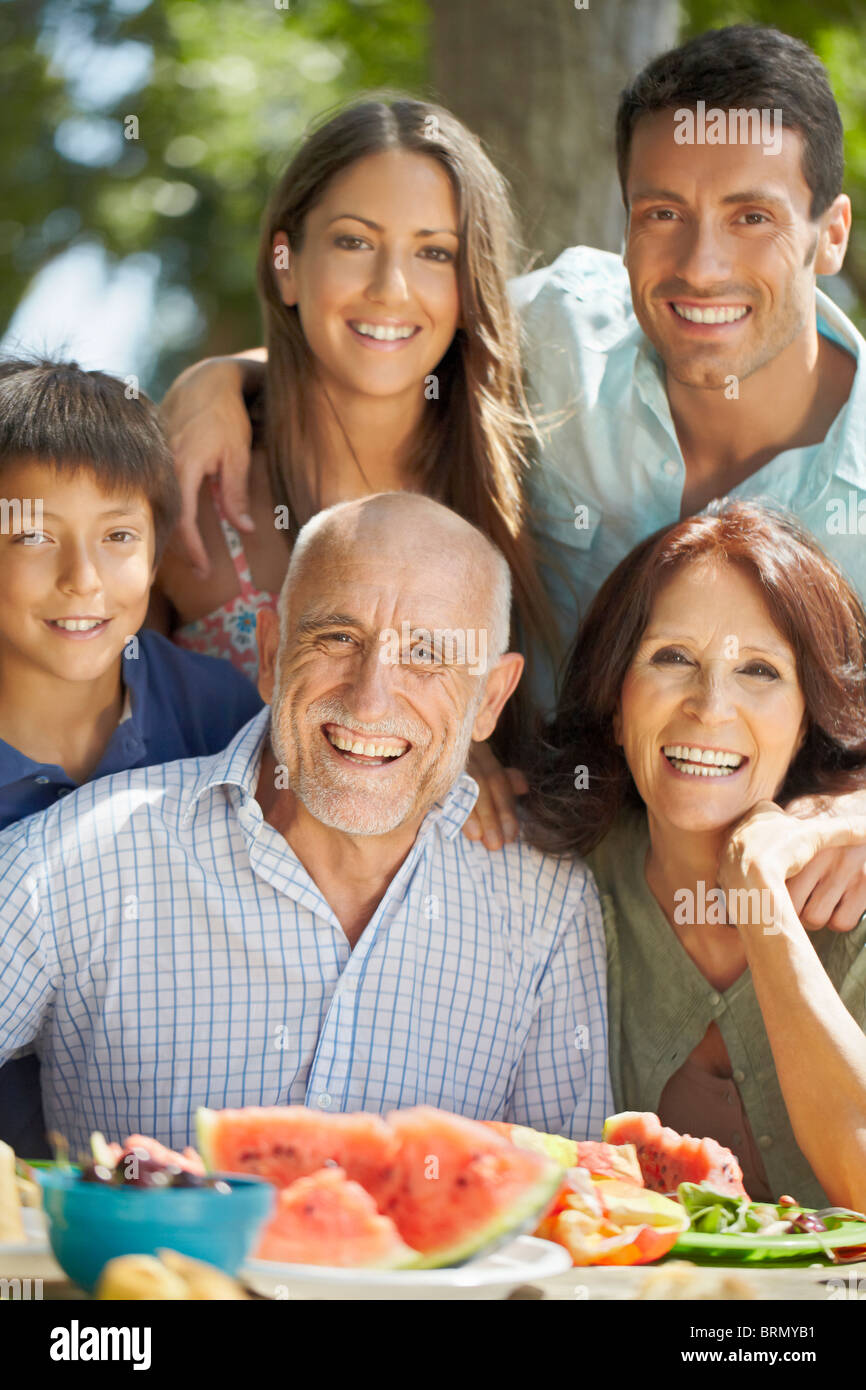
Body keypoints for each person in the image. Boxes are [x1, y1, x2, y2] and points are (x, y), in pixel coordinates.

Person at [159, 26, 866, 902]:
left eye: (751, 217)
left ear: (829, 234)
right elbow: (390, 339)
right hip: (515, 873)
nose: (701, 265)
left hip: (753, 910)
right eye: (662, 214)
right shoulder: (564, 336)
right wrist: (220, 382)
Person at [0, 493, 612, 1155]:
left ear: (491, 698)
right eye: (339, 638)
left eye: (427, 655)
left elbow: (569, 1203)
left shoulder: (546, 911)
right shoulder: (78, 861)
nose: (370, 696)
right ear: (270, 655)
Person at [150, 94, 558, 815]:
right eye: (354, 241)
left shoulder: (513, 491)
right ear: (285, 264)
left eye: (435, 252)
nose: (390, 288)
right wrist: (212, 381)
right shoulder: (191, 484)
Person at [527, 501, 866, 1210]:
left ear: (809, 720)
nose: (710, 706)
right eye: (673, 658)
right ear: (617, 706)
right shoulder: (552, 892)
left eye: (761, 671)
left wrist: (760, 894)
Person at [0, 358, 263, 1158]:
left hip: (177, 1194)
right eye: (34, 536)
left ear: (156, 555)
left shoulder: (220, 714)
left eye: (117, 537)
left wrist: (224, 374)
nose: (82, 580)